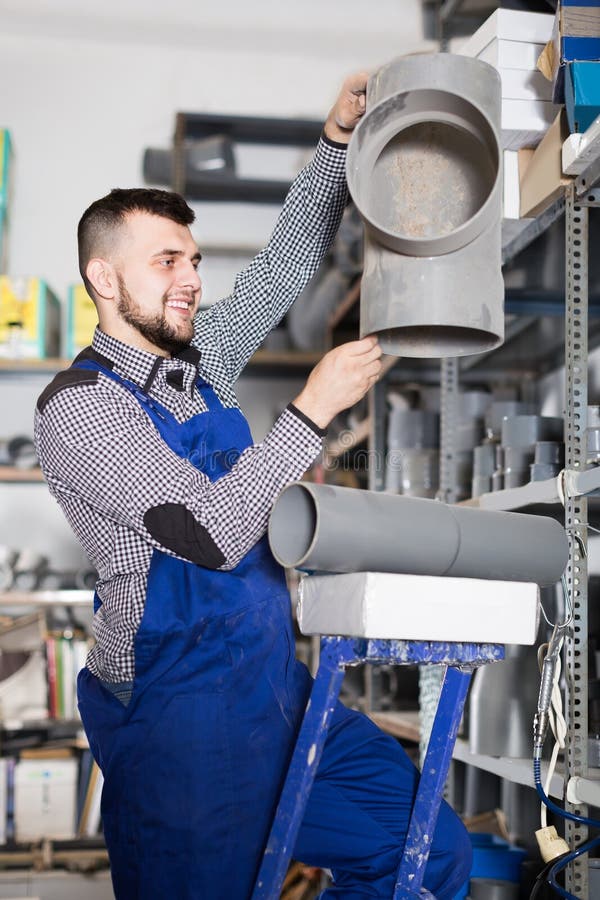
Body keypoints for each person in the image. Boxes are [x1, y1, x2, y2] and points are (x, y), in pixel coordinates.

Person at [34, 74, 471, 899]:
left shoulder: (205, 366)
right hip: (178, 722)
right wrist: (309, 411)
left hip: (274, 689)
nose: (192, 279)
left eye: (194, 261)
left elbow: (283, 268)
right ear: (103, 278)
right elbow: (208, 532)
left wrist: (335, 145)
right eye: (167, 262)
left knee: (427, 850)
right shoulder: (78, 410)